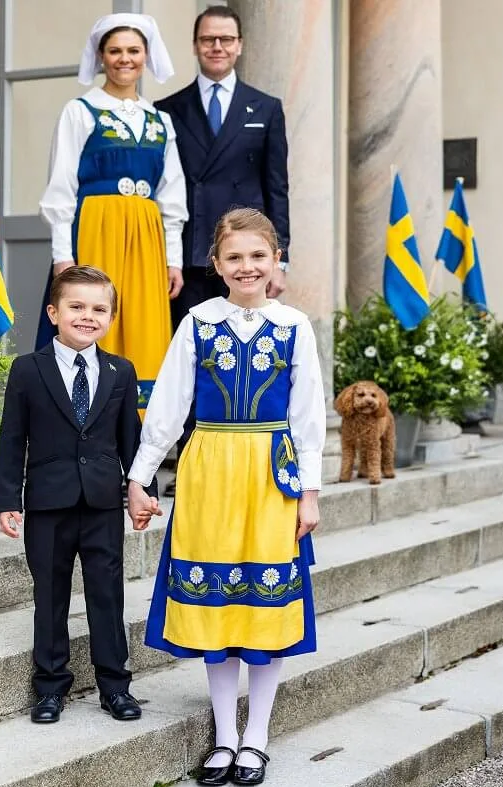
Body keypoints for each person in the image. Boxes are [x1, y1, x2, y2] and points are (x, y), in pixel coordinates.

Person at [127, 209, 325, 786]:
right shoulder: (196, 322)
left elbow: (309, 419)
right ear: (215, 264)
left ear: (275, 262)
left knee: (263, 607)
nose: (246, 266)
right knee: (217, 606)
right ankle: (223, 736)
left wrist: (309, 495)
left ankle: (256, 739)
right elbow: (167, 407)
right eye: (234, 257)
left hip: (270, 473)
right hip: (209, 470)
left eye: (257, 256)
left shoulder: (294, 326)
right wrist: (140, 478)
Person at [0, 266, 159, 725]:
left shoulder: (120, 372)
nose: (88, 316)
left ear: (111, 317)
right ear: (54, 312)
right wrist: (8, 499)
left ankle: (115, 685)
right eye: (77, 307)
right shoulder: (28, 369)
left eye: (99, 309)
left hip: (103, 503)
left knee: (107, 595)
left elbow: (132, 440)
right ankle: (49, 688)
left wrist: (141, 489)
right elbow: (12, 439)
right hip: (48, 504)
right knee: (50, 594)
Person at [155, 5, 291, 494]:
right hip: (192, 253)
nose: (217, 47)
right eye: (208, 39)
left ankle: (250, 459)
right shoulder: (168, 110)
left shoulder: (266, 107)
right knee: (197, 357)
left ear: (240, 46)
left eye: (226, 39)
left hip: (251, 255)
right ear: (195, 45)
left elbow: (277, 188)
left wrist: (280, 258)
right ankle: (192, 462)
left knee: (250, 353)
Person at [36, 13, 188, 413]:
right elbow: (61, 188)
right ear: (101, 57)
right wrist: (62, 256)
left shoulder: (160, 121)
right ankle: (87, 427)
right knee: (93, 320)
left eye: (133, 51)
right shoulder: (81, 110)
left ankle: (139, 440)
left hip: (147, 238)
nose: (125, 59)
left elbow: (172, 195)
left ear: (146, 56)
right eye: (115, 50)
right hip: (96, 229)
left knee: (143, 329)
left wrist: (173, 258)